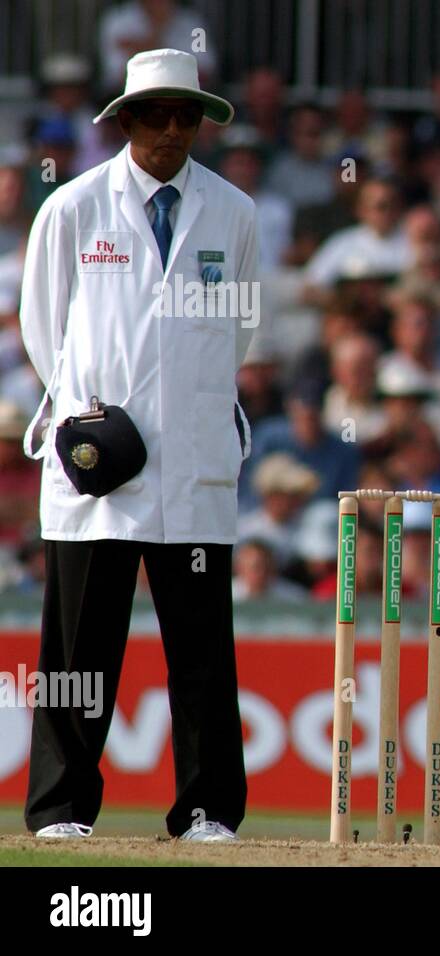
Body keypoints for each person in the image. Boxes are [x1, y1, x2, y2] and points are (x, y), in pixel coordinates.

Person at [19, 50, 255, 842]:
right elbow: (42, 326)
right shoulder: (76, 207)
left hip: (195, 462)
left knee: (200, 652)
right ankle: (59, 809)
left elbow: (240, 335)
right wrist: (91, 412)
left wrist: (184, 401)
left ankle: (207, 809)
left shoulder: (234, 213)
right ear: (125, 120)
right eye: (156, 114)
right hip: (100, 465)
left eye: (187, 115)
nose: (172, 129)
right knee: (80, 650)